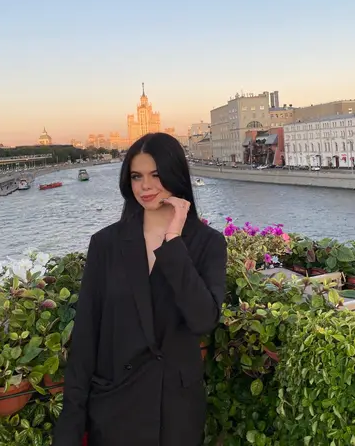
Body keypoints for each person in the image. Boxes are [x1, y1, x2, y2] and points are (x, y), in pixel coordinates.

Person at [53, 132, 227, 446]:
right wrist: (70, 427)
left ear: (176, 175)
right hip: (115, 407)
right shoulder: (106, 244)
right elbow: (85, 337)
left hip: (175, 414)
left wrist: (173, 242)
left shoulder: (208, 243)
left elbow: (203, 320)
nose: (145, 186)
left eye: (156, 175)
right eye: (137, 176)